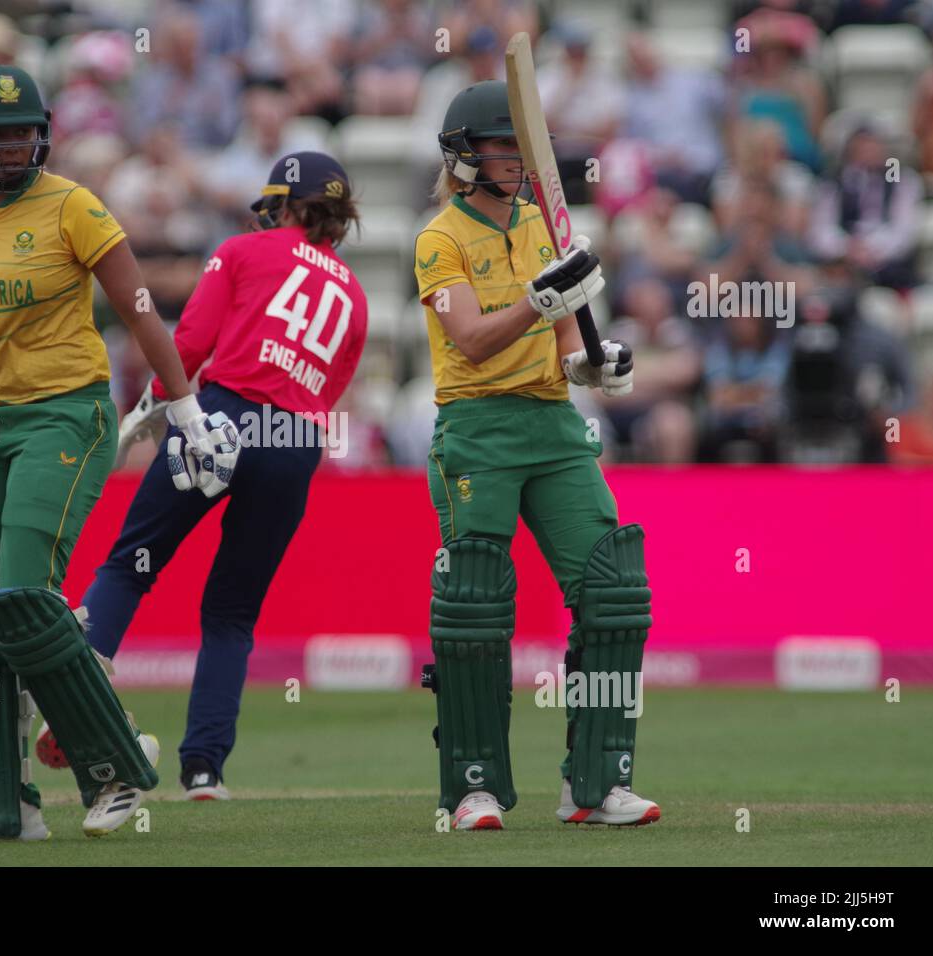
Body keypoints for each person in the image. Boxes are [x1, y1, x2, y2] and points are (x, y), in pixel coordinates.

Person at [0, 65, 240, 842]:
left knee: (22, 599)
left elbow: (141, 312)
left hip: (66, 415)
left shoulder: (74, 206)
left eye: (18, 131)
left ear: (40, 134)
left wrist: (188, 412)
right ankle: (2, 803)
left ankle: (113, 765)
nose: (6, 146)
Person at [36, 152, 368, 799]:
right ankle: (205, 769)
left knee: (131, 562)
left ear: (288, 205)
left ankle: (75, 705)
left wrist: (155, 399)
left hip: (221, 414)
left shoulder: (243, 251)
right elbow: (329, 393)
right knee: (233, 614)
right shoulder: (354, 296)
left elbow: (187, 342)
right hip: (295, 440)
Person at [413, 80, 660, 830]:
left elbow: (561, 345)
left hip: (555, 425)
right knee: (476, 606)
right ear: (463, 156)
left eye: (524, 148)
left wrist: (595, 364)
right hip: (476, 428)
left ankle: (596, 785)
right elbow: (474, 341)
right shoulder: (439, 238)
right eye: (501, 147)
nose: (517, 160)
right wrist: (541, 298)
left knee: (613, 592)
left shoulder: (545, 228)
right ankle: (473, 788)